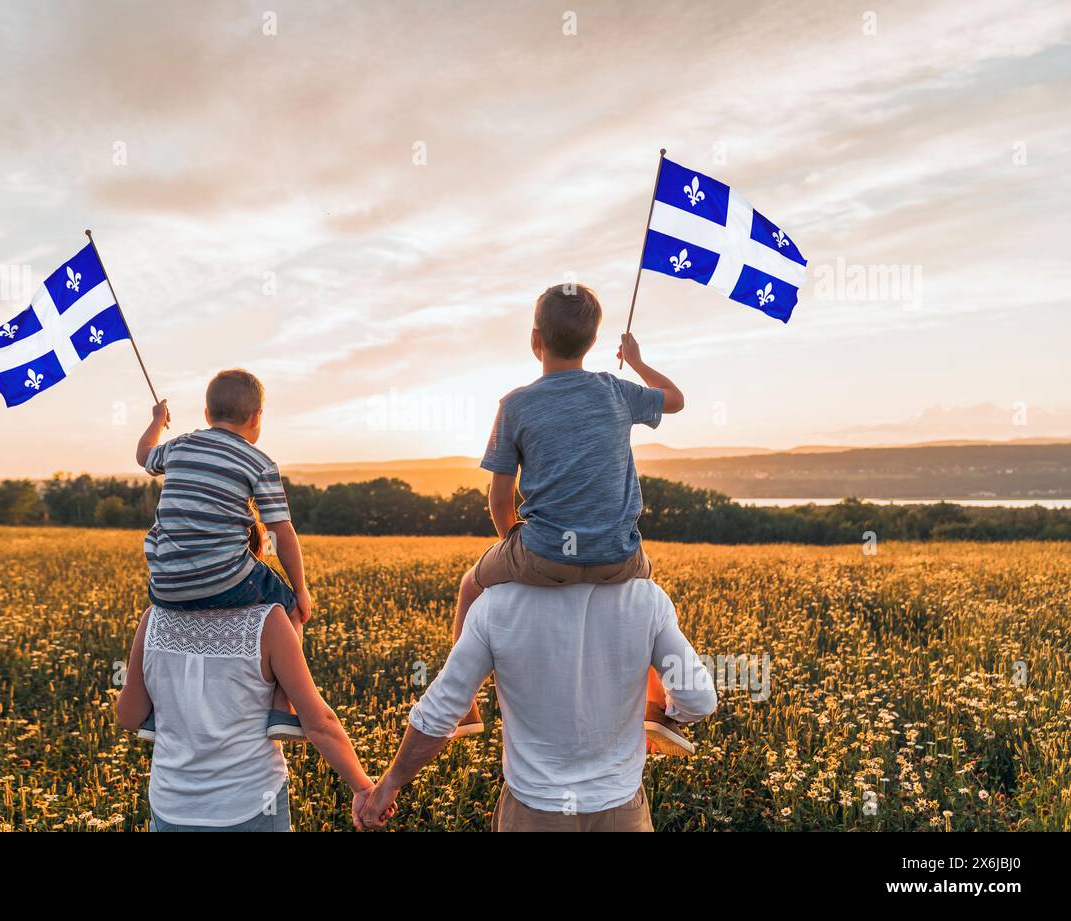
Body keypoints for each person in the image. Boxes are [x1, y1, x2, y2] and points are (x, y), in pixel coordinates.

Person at [448, 283, 693, 754]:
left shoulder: (515, 404)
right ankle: (658, 707)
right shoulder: (616, 391)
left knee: (469, 587)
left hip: (543, 555)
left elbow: (500, 498)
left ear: (535, 339)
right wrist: (637, 360)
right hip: (618, 556)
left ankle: (463, 707)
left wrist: (511, 546)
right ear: (594, 342)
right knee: (649, 597)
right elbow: (675, 398)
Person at [356, 578, 718, 831]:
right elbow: (698, 698)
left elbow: (438, 713)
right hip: (621, 809)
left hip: (535, 811)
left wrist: (389, 784)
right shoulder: (645, 597)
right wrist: (661, 717)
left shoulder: (496, 603)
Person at [135, 368, 312, 740]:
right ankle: (283, 706)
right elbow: (281, 530)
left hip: (164, 584)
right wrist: (300, 589)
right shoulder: (259, 462)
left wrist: (156, 421)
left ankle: (151, 710)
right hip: (224, 577)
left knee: (170, 619)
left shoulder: (179, 446)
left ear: (206, 414)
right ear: (256, 417)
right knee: (291, 609)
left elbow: (143, 455)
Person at [116, 597, 377, 831]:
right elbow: (320, 724)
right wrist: (363, 788)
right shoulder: (269, 621)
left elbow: (128, 717)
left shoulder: (153, 619)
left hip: (171, 807)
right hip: (252, 805)